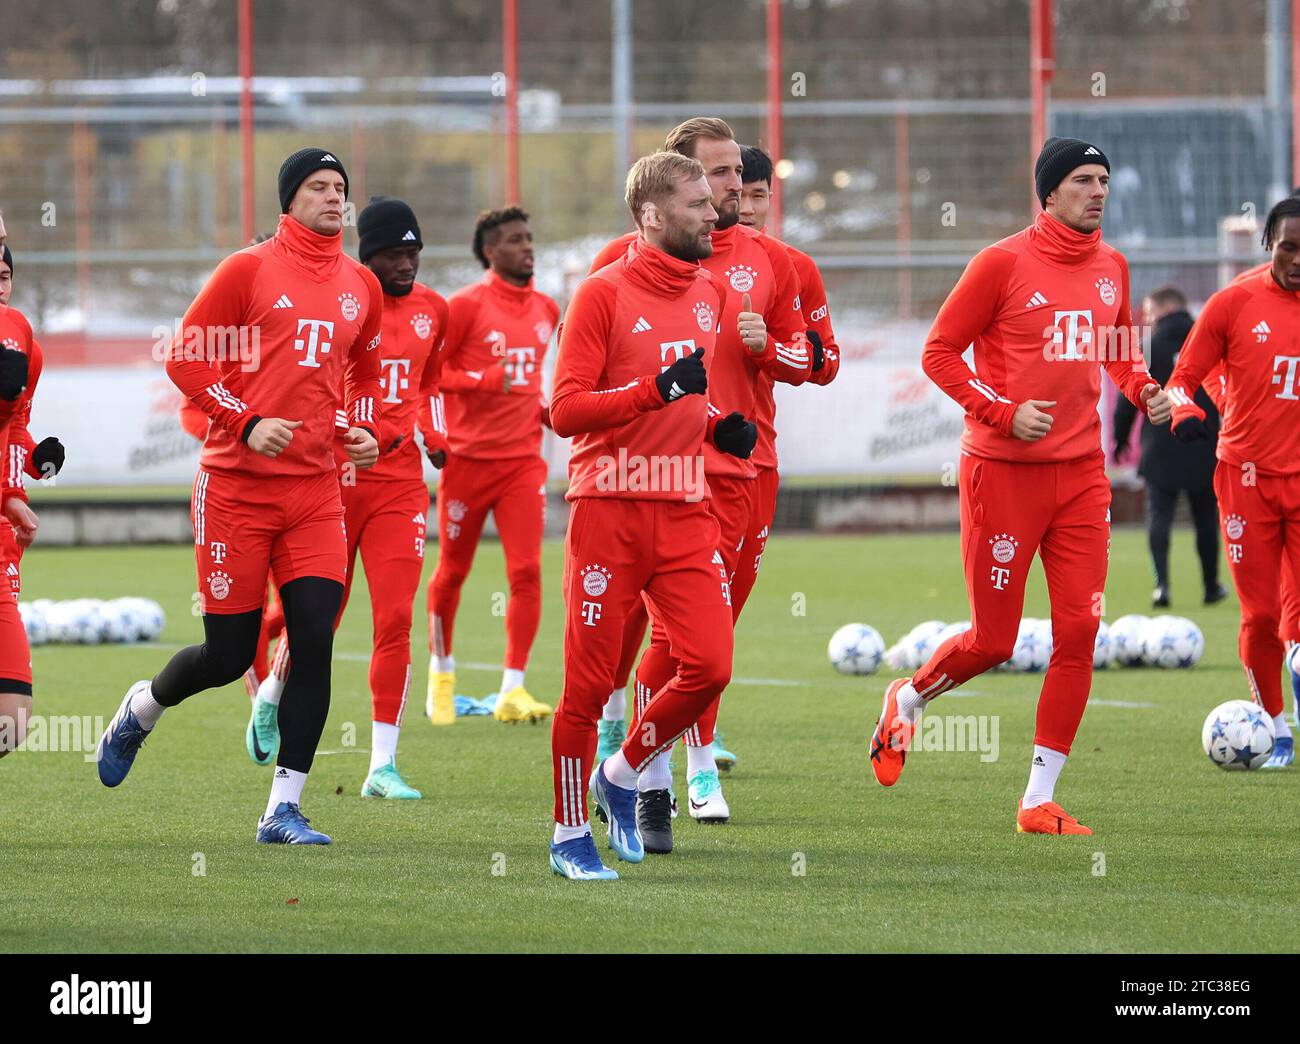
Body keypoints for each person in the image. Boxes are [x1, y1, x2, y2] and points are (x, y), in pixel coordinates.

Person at [872, 137, 1172, 834]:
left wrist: (1147, 389)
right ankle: (908, 698)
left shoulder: (1113, 267)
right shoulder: (1001, 263)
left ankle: (1038, 799)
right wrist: (1002, 411)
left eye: (1103, 180)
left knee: (1080, 630)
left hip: (1080, 480)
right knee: (995, 641)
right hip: (1002, 477)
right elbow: (939, 352)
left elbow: (1120, 353)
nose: (1097, 191)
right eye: (1081, 181)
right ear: (1048, 194)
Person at [95, 147, 383, 845]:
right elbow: (185, 356)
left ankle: (282, 809)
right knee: (229, 655)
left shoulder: (360, 285)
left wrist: (359, 429)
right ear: (289, 200)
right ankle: (142, 708)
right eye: (317, 187)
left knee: (315, 636)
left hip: (315, 493)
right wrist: (247, 423)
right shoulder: (247, 270)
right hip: (234, 491)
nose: (333, 198)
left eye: (340, 187)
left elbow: (362, 371)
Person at [586, 119, 810, 849]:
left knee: (707, 651)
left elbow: (809, 361)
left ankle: (642, 766)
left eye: (737, 177)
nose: (731, 194)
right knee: (657, 644)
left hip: (739, 470)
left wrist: (764, 363)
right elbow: (575, 397)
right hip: (648, 483)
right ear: (671, 186)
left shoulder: (752, 268)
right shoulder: (611, 271)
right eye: (715, 177)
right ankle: (655, 781)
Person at [547, 150, 756, 879]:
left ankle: (624, 770)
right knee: (585, 683)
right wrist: (655, 391)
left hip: (684, 505)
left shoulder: (711, 292)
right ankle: (568, 835)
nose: (714, 212)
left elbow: (685, 393)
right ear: (651, 215)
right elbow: (566, 411)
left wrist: (717, 422)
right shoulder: (601, 295)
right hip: (609, 507)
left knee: (710, 664)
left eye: (712, 200)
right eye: (698, 204)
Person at [249, 196, 448, 798]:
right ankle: (270, 692)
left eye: (412, 253)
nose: (405, 264)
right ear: (369, 256)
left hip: (399, 485)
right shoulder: (347, 300)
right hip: (334, 477)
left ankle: (381, 766)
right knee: (321, 619)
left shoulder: (436, 311)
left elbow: (429, 383)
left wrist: (434, 433)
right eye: (392, 254)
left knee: (394, 618)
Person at [1165, 195, 1300, 770]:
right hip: (1245, 480)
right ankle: (1274, 727)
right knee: (1261, 615)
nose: (1298, 259)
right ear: (1269, 243)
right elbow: (1180, 378)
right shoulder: (1234, 303)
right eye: (1289, 247)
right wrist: (1186, 413)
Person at [423, 207, 557, 726]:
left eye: (529, 237)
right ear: (489, 252)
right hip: (467, 463)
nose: (527, 247)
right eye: (515, 240)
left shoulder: (547, 308)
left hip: (522, 463)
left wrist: (551, 413)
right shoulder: (464, 307)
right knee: (452, 571)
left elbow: (528, 383)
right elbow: (430, 376)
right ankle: (441, 676)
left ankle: (513, 689)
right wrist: (482, 379)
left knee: (526, 570)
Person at [1112, 284, 1224, 608]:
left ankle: (1162, 586)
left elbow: (1127, 397)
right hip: (1205, 442)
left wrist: (1121, 438)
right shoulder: (1208, 339)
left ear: (1162, 308)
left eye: (1149, 310)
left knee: (1159, 516)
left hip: (1160, 446)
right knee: (1206, 518)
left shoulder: (1150, 345)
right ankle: (1211, 585)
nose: (1147, 316)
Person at [0, 250, 55, 760]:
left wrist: (20, 486)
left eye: (6, 274)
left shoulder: (22, 339)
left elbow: (14, 426)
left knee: (9, 724)